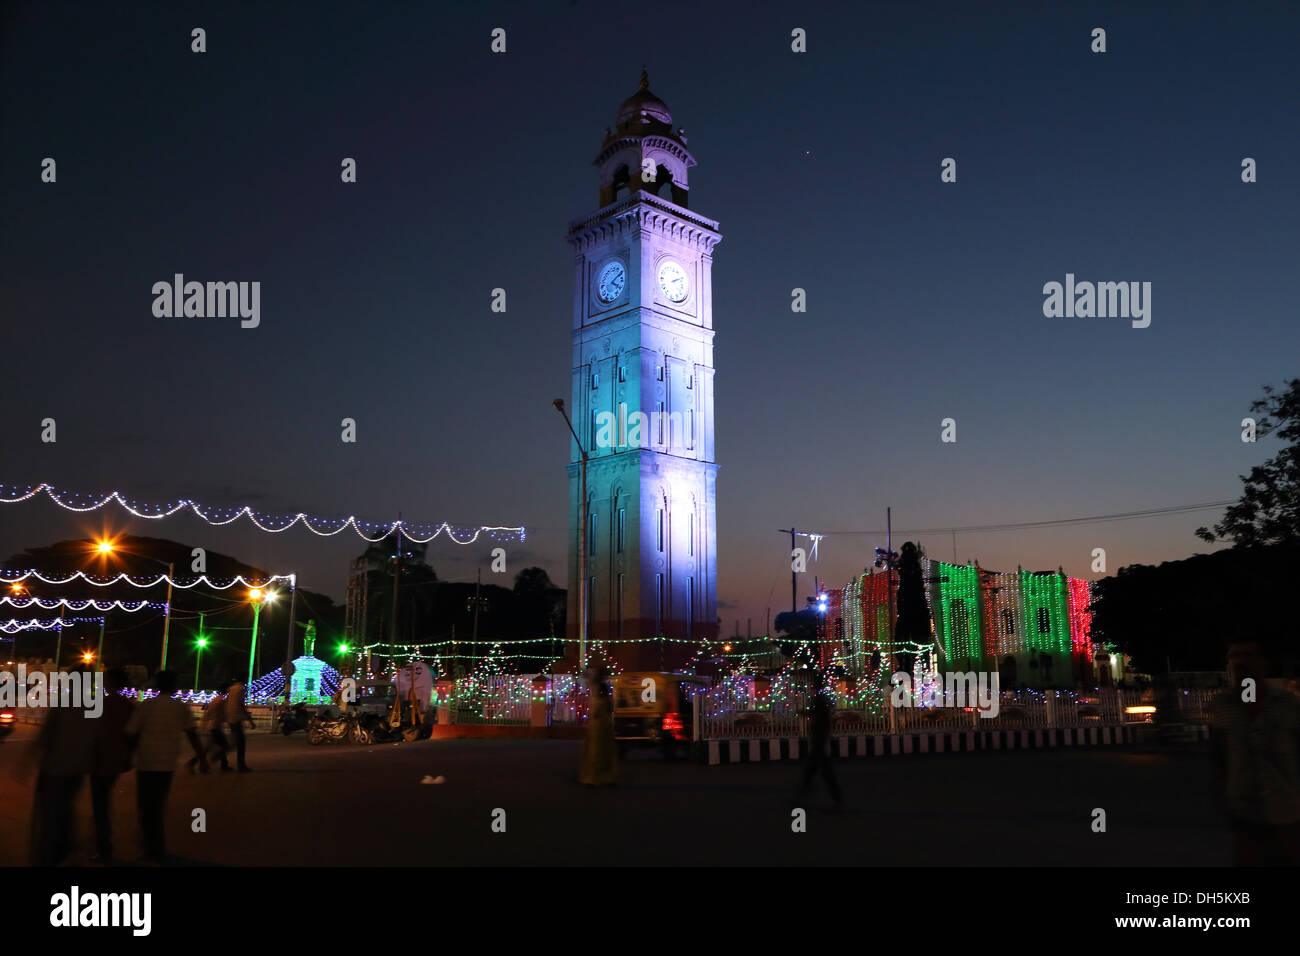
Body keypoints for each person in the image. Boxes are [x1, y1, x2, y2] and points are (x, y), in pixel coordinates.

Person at [1211, 642, 1300, 865]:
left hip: (1287, 811)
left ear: (1264, 664)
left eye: (1248, 655)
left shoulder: (1287, 705)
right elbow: (1219, 757)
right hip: (1244, 813)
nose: (1240, 661)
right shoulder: (1223, 705)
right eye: (1234, 656)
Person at [125, 670, 206, 862]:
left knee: (146, 806)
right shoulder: (181, 707)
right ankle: (156, 846)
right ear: (173, 686)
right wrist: (202, 758)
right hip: (167, 764)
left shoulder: (147, 705)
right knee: (158, 804)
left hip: (146, 763)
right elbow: (192, 734)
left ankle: (149, 846)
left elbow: (131, 732)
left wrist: (128, 755)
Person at [23, 664, 98, 865]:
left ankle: (52, 853)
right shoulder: (93, 705)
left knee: (51, 813)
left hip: (56, 767)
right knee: (66, 808)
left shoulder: (64, 703)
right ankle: (67, 846)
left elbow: (47, 734)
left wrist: (27, 761)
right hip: (78, 769)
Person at [90, 667, 136, 863]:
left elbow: (91, 734)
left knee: (100, 805)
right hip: (117, 760)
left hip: (100, 761)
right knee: (103, 802)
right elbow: (133, 735)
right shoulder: (129, 706)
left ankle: (104, 847)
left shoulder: (101, 704)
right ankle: (104, 844)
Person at [795, 668, 843, 808]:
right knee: (815, 772)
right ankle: (802, 797)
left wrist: (804, 713)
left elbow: (821, 717)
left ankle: (836, 800)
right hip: (819, 739)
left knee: (822, 773)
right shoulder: (821, 699)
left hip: (819, 739)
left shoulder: (820, 699)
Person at [578, 666, 618, 786]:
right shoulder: (600, 691)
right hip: (602, 724)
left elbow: (600, 709)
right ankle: (602, 776)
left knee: (597, 750)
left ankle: (595, 777)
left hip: (599, 725)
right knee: (601, 750)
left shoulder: (598, 694)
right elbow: (609, 707)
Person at [190, 681, 232, 772]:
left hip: (213, 726)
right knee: (225, 746)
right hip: (215, 727)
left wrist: (204, 725)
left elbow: (209, 713)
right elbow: (224, 714)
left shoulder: (215, 700)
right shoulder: (221, 701)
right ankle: (213, 762)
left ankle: (193, 762)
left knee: (208, 748)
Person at [224, 677, 254, 772]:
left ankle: (223, 762)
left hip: (231, 718)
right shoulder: (241, 689)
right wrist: (250, 720)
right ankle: (241, 765)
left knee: (234, 742)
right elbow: (241, 705)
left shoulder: (231, 689)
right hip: (236, 719)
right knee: (240, 743)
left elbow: (228, 703)